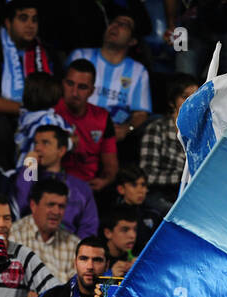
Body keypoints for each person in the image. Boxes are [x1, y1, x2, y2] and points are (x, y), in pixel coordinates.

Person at [0, 0, 54, 169]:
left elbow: (56, 93)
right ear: (8, 23)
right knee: (1, 128)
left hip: (39, 117)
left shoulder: (45, 51)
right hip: (5, 118)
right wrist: (26, 110)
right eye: (23, 18)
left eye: (34, 20)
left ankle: (34, 182)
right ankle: (7, 180)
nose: (30, 25)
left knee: (45, 131)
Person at [67, 16, 151, 141]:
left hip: (111, 140)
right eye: (113, 22)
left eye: (124, 25)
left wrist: (127, 129)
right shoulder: (81, 55)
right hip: (73, 129)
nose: (115, 26)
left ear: (132, 41)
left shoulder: (138, 71)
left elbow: (141, 114)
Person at [12, 125, 99, 238]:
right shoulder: (28, 176)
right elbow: (20, 206)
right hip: (30, 241)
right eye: (36, 143)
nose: (38, 148)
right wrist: (29, 166)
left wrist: (77, 251)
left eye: (45, 143)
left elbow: (88, 227)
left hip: (68, 248)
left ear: (61, 150)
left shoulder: (80, 187)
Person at [55, 59, 118, 192]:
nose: (74, 92)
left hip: (89, 188)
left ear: (92, 90)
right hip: (55, 185)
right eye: (70, 84)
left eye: (82, 87)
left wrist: (105, 180)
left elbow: (111, 165)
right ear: (63, 83)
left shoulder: (102, 117)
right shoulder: (50, 112)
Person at [138, 73, 198, 205]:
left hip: (194, 192)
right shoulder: (157, 129)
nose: (192, 100)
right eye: (184, 96)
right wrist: (183, 177)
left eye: (196, 95)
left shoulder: (205, 130)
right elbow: (147, 174)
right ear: (172, 102)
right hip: (163, 195)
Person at [9, 178, 78, 285]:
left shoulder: (73, 244)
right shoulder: (13, 236)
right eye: (51, 205)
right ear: (33, 205)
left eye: (61, 206)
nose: (56, 212)